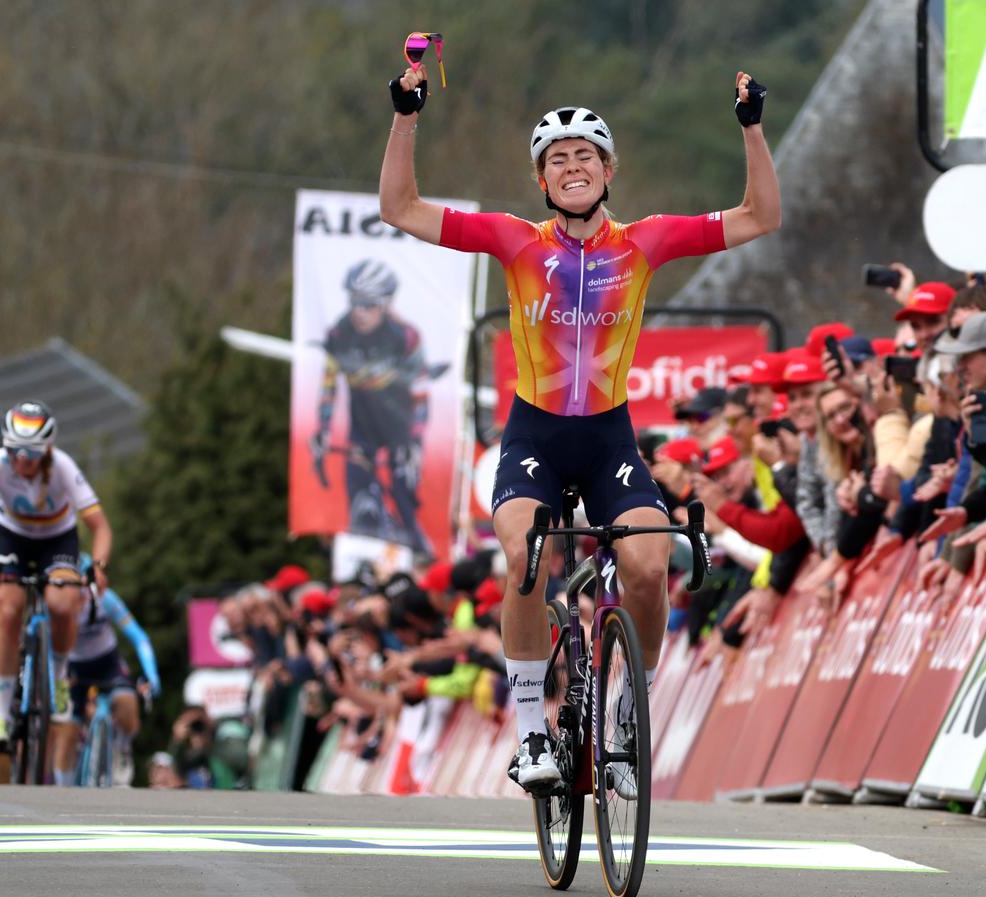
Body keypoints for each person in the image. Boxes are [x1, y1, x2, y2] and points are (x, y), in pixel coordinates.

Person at [380, 58, 780, 792]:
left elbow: (760, 217)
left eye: (585, 155)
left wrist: (752, 130)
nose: (572, 166)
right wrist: (406, 115)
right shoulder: (514, 240)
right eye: (557, 159)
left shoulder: (646, 242)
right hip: (534, 435)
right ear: (542, 180)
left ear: (609, 170)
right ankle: (532, 732)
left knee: (652, 565)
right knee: (526, 556)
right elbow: (400, 208)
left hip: (607, 438)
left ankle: (629, 711)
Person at [0, 400, 112, 755]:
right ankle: (1, 716)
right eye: (14, 450)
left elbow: (100, 527)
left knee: (63, 601)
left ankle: (60, 674)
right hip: (10, 535)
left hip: (56, 539)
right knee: (7, 608)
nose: (22, 460)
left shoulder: (63, 467)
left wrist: (97, 566)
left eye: (31, 453)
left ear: (47, 449)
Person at [310, 259, 443, 555]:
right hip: (363, 428)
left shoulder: (406, 337)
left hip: (400, 427)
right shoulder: (338, 334)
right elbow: (329, 386)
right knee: (359, 503)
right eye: (354, 302)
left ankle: (417, 547)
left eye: (369, 304)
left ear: (385, 303)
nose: (359, 311)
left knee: (403, 499)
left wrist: (415, 439)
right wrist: (322, 430)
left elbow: (420, 394)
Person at [53, 554, 162, 787]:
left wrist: (152, 675)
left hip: (108, 663)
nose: (82, 594)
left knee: (126, 702)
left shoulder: (106, 599)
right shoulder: (61, 605)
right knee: (67, 731)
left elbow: (139, 637)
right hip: (73, 668)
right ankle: (62, 789)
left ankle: (122, 750)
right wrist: (57, 688)